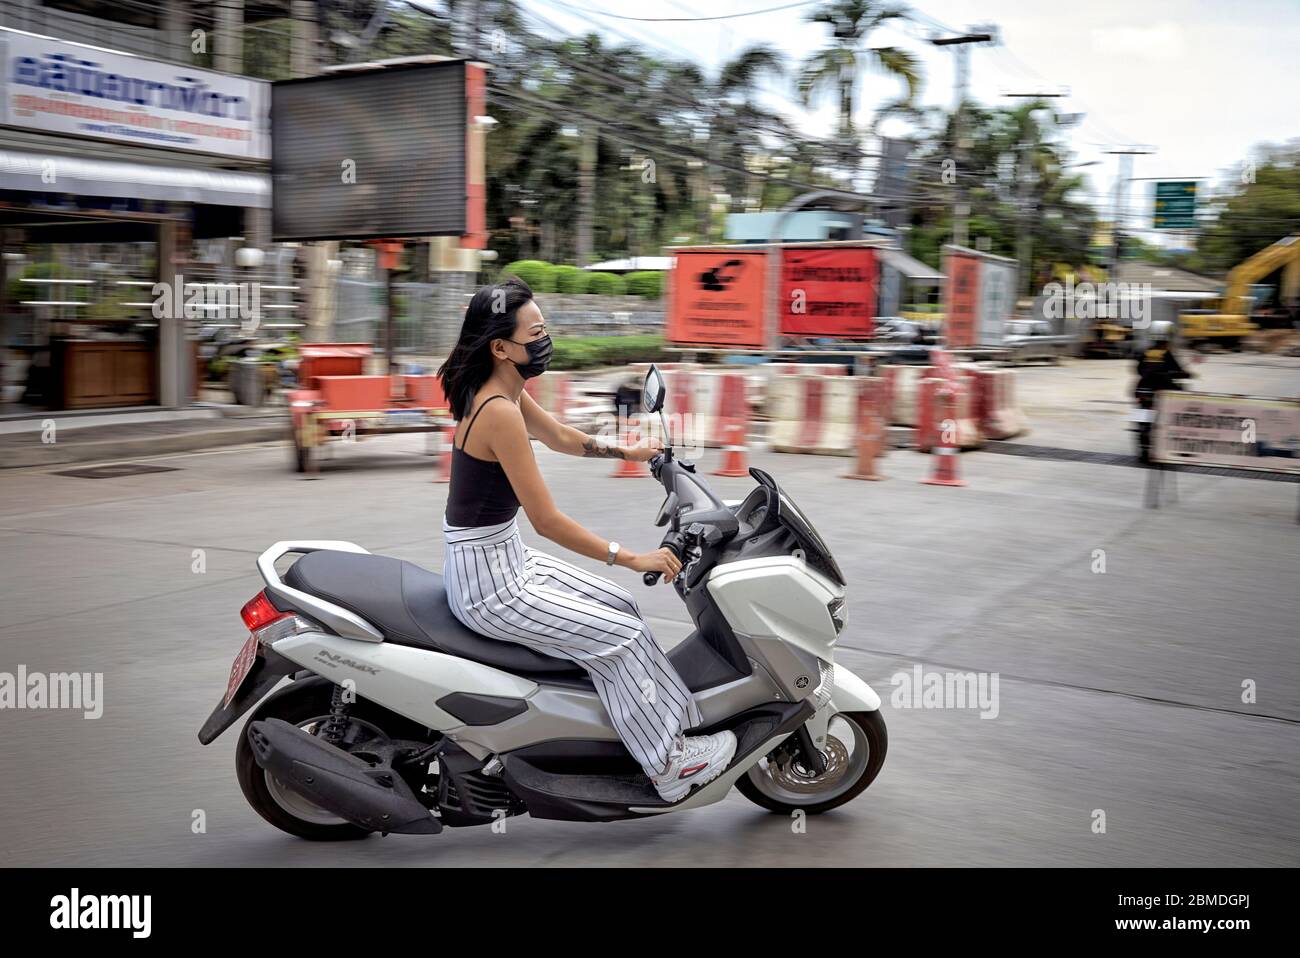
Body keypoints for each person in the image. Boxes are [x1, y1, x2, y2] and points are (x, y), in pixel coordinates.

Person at [436, 277, 737, 802]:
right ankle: (668, 767)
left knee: (619, 605)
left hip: (498, 557)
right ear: (501, 347)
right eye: (536, 331)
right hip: (491, 585)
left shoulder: (504, 391)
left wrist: (629, 451)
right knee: (619, 637)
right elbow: (547, 521)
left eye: (544, 328)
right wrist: (632, 556)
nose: (545, 339)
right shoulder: (498, 412)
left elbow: (560, 437)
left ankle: (659, 723)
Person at [1133, 322, 1196, 463]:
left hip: (1142, 390)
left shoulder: (1145, 352)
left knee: (1141, 415)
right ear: (1168, 338)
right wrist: (1187, 374)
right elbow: (1179, 371)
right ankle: (1181, 445)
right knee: (1181, 410)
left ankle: (1143, 444)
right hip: (1163, 391)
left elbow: (1137, 369)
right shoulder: (1167, 354)